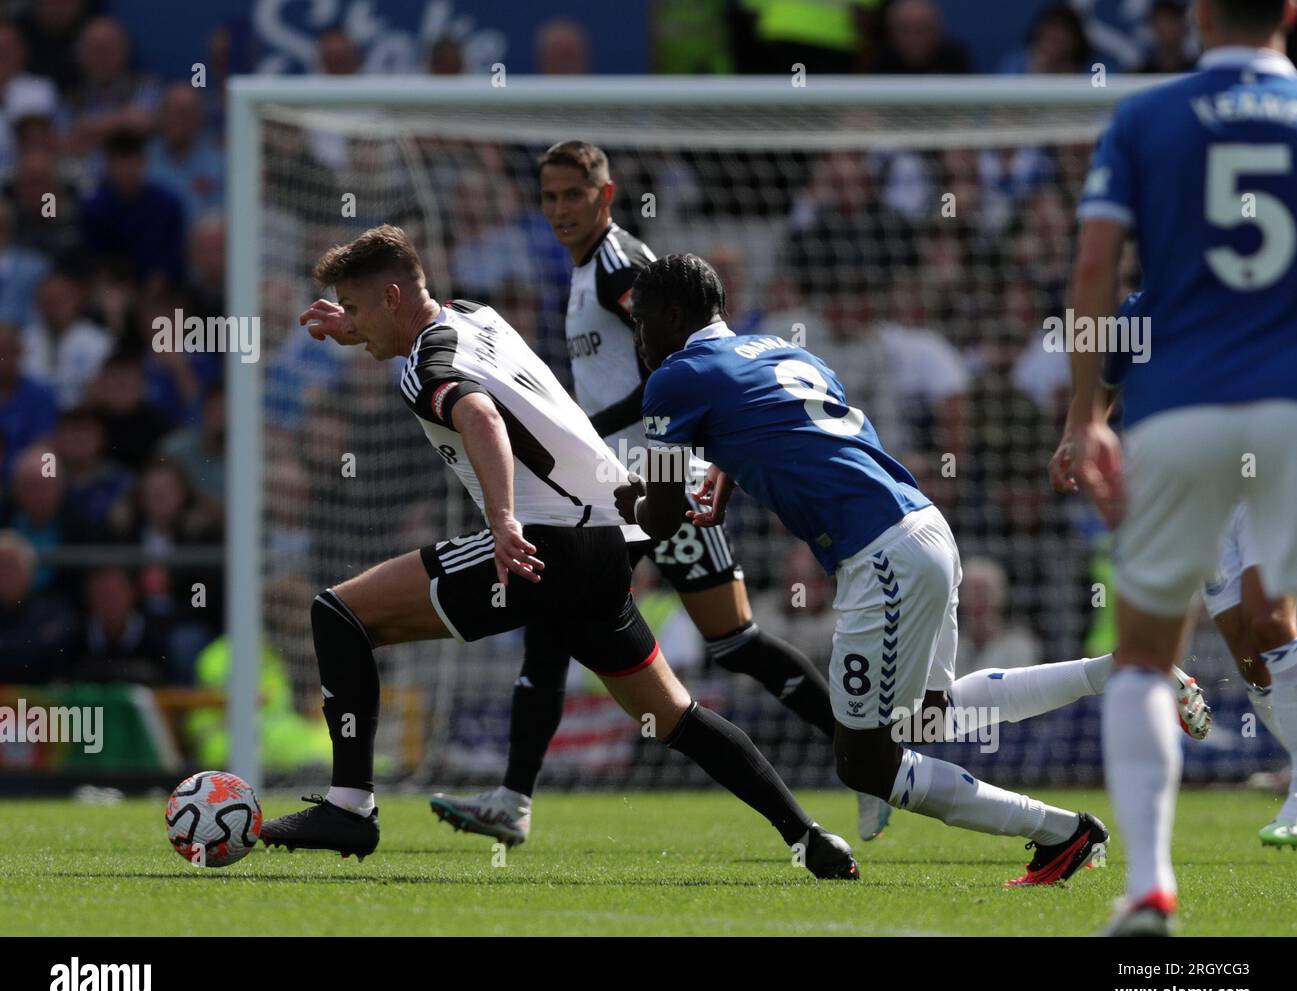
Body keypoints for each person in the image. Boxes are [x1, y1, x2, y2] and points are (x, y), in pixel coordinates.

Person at [259, 225, 858, 880]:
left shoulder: (426, 368)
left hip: (545, 542)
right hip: (607, 539)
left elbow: (481, 417)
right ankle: (808, 836)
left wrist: (503, 518)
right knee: (675, 713)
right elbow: (456, 352)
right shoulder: (475, 318)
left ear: (395, 296)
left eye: (355, 306)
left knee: (339, 614)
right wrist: (358, 330)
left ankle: (350, 806)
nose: (350, 321)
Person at [620, 252, 1121, 887]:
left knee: (865, 763)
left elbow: (661, 517)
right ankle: (1112, 672)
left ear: (671, 314)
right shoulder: (780, 350)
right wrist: (726, 472)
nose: (638, 338)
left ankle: (1064, 832)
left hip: (879, 556)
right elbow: (800, 430)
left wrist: (629, 502)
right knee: (928, 717)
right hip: (924, 527)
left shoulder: (674, 379)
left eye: (640, 323)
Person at [429, 141, 861, 844]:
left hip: (650, 486)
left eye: (575, 195)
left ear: (607, 195)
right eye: (550, 197)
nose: (561, 209)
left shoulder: (622, 269)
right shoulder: (585, 271)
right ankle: (513, 798)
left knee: (730, 642)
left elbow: (674, 363)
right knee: (625, 635)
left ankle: (865, 758)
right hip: (621, 489)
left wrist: (580, 431)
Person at [1065, 0, 1297, 933]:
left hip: (1184, 411)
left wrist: (1088, 414)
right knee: (1255, 629)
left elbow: (1093, 268)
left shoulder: (1147, 116)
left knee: (1146, 655)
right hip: (1290, 403)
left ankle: (1151, 888)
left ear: (1200, 15)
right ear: (1290, 11)